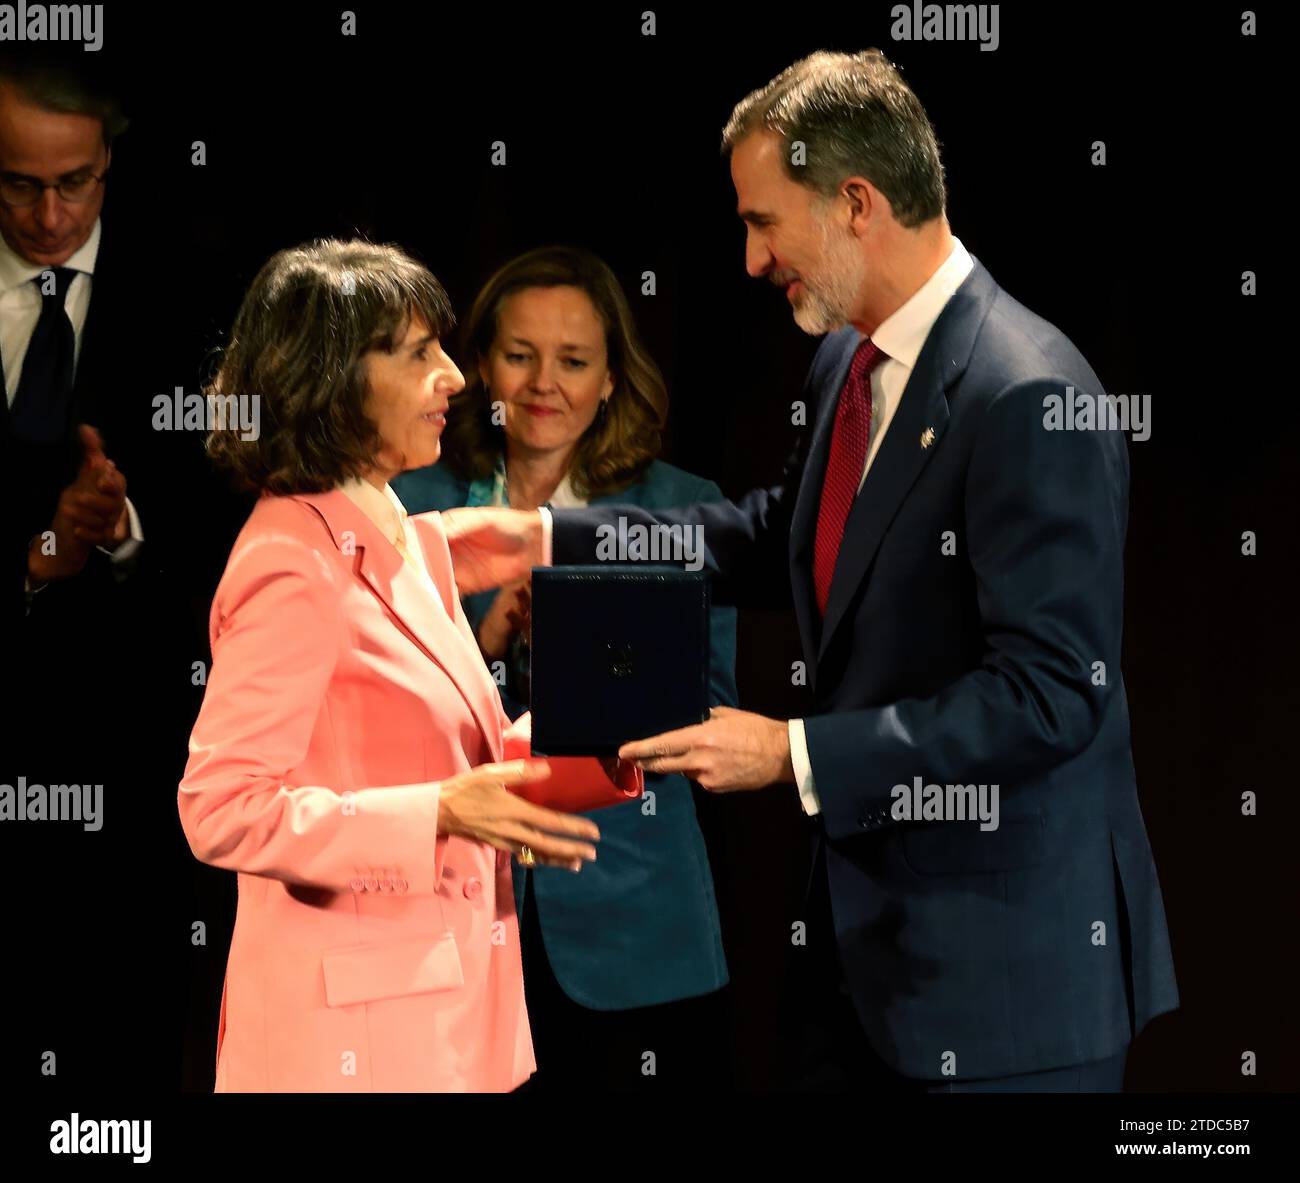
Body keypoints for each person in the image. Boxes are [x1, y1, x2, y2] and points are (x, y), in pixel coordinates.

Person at [438, 49, 1180, 1093]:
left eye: (762, 221)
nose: (749, 259)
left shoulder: (1027, 394)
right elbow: (777, 533)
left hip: (1008, 985)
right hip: (866, 967)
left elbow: (1052, 696)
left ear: (856, 204)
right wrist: (555, 539)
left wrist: (792, 751)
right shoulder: (849, 357)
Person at [178, 238, 639, 1092]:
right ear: (336, 378)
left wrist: (577, 744)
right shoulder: (290, 562)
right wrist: (440, 810)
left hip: (447, 1017)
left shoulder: (391, 523)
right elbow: (221, 809)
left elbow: (453, 756)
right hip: (351, 1046)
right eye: (420, 353)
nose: (457, 379)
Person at [393, 244, 737, 1089]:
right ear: (479, 366)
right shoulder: (406, 499)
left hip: (634, 935)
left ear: (612, 377)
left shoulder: (685, 509)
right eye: (520, 356)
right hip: (438, 925)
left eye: (574, 361)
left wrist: (593, 654)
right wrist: (493, 638)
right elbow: (377, 723)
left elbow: (716, 714)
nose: (545, 384)